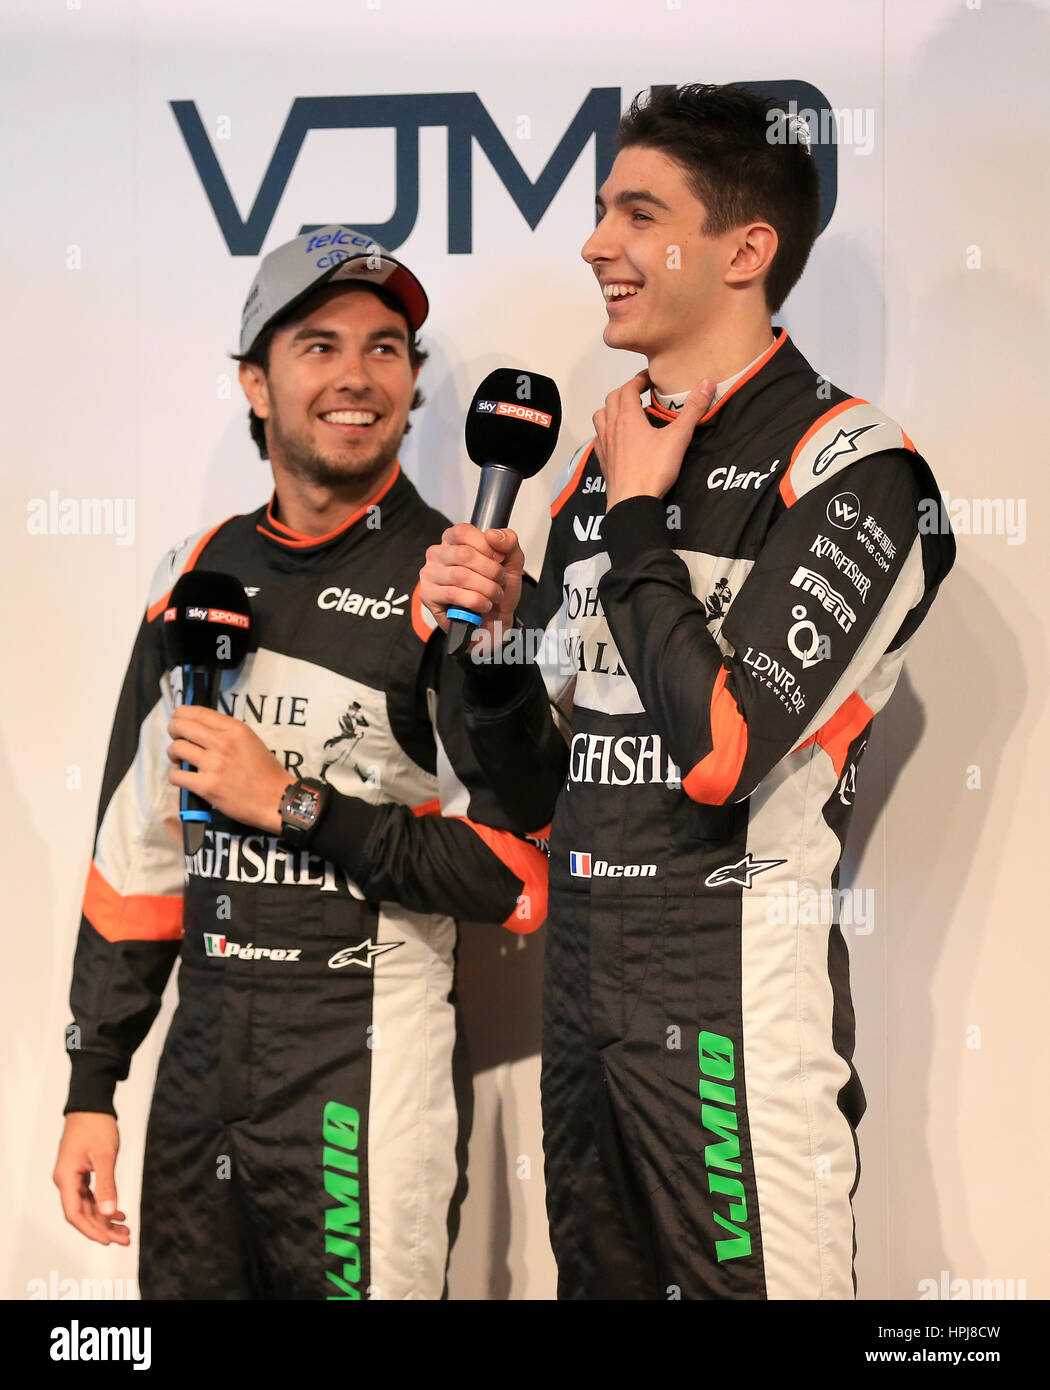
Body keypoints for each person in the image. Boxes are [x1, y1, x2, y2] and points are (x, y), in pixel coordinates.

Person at [420, 84, 956, 1300]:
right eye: (601, 208)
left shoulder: (860, 469)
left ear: (744, 250)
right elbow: (525, 795)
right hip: (580, 1009)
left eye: (636, 211)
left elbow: (720, 752)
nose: (596, 242)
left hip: (733, 1013)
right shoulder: (589, 477)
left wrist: (648, 516)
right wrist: (482, 646)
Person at [53, 225, 549, 1301]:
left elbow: (514, 875)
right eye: (318, 345)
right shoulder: (193, 572)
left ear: (414, 384)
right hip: (199, 1070)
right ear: (256, 381)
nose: (357, 377)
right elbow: (137, 856)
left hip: (366, 1067)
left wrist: (291, 801)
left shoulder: (467, 586)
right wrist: (93, 1081)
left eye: (385, 347)